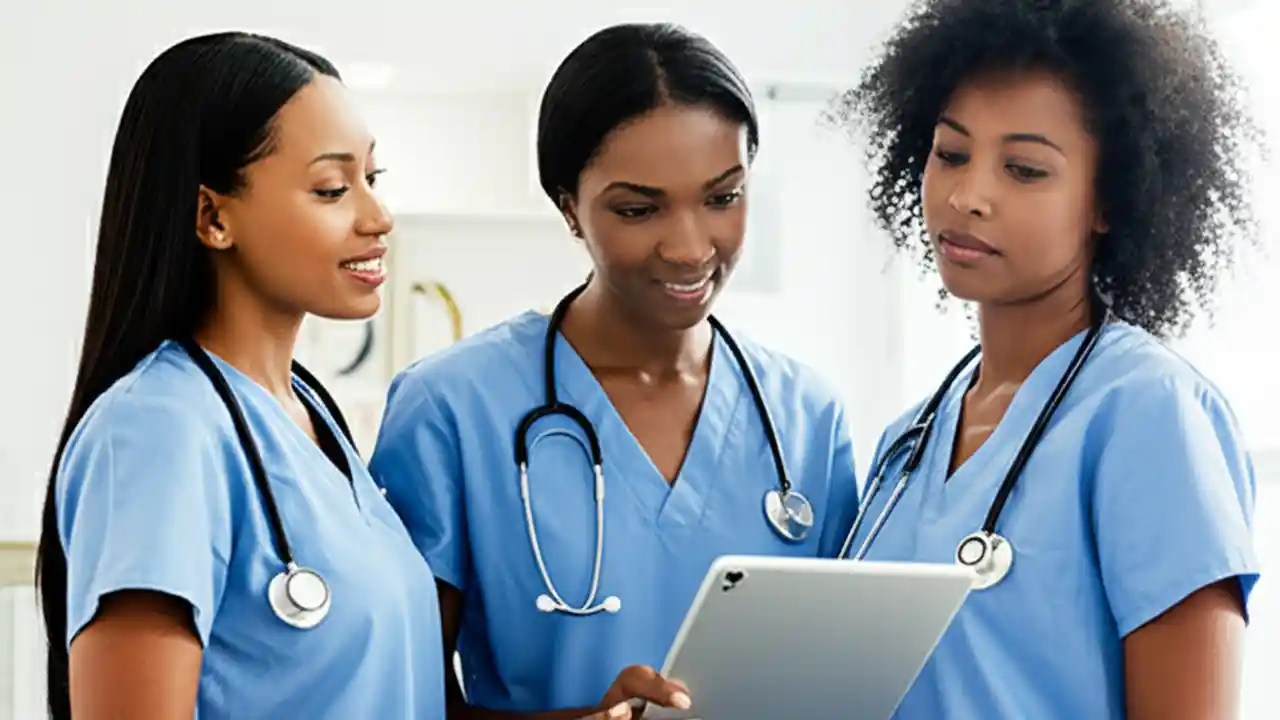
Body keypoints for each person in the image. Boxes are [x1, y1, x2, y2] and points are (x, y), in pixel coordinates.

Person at [369, 22, 859, 718]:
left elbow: (842, 676)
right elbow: (398, 697)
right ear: (568, 207)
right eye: (638, 209)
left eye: (723, 197)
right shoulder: (451, 407)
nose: (690, 249)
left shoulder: (806, 417)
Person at [833, 0, 1261, 717]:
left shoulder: (1147, 413)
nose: (968, 196)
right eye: (950, 153)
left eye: (1025, 170)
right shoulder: (906, 443)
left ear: (1108, 199)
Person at [34, 32, 446, 718]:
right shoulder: (157, 430)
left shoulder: (311, 415)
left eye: (372, 180)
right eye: (332, 188)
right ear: (212, 215)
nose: (378, 218)